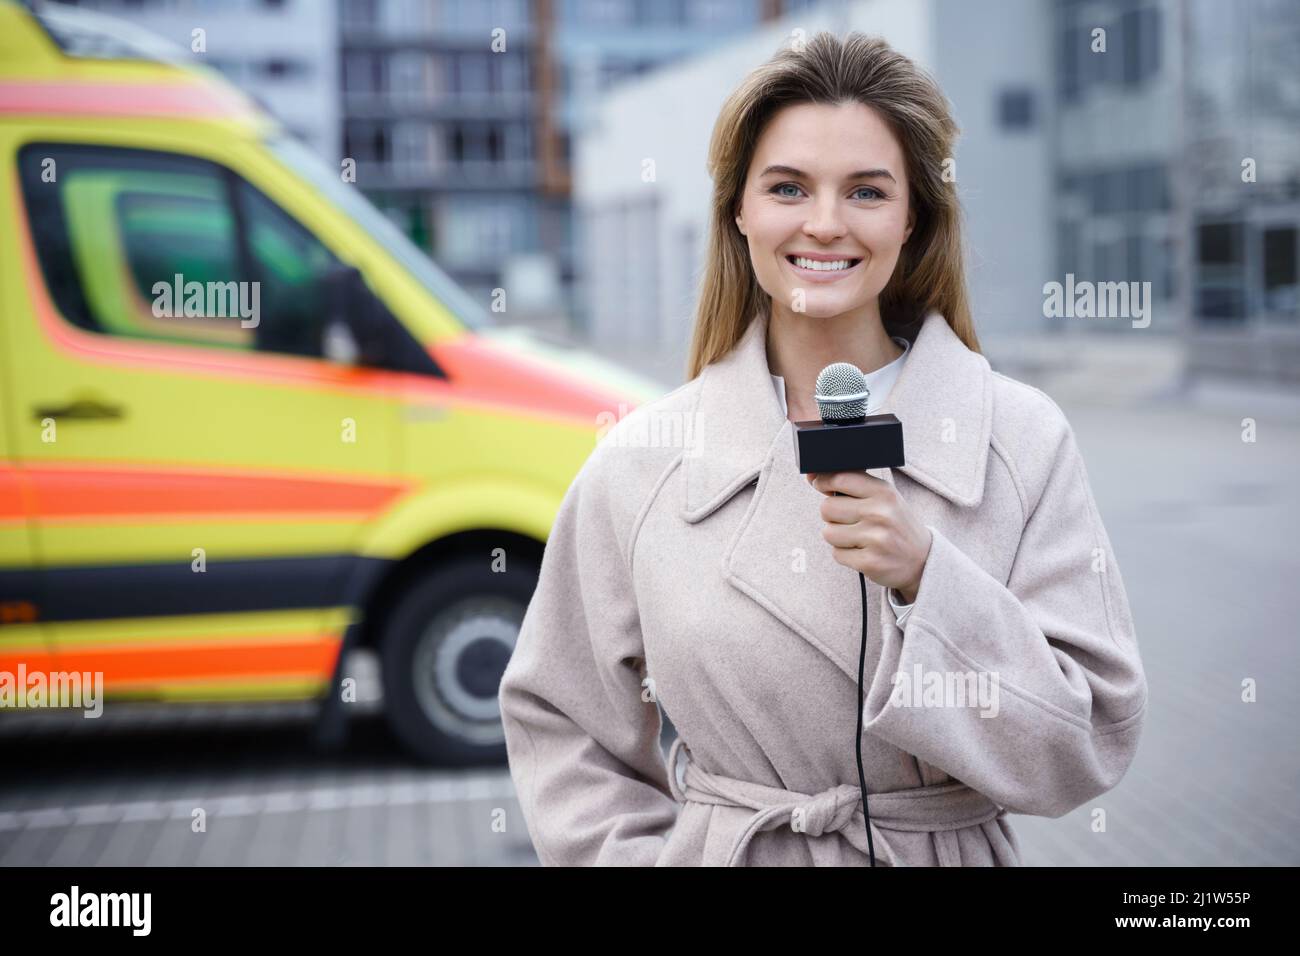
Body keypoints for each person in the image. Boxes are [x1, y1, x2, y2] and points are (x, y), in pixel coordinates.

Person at [498, 31, 1147, 866]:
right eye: (788, 187)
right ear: (740, 210)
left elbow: (1089, 737)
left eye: (867, 191)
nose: (825, 223)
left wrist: (929, 580)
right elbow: (561, 717)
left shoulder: (1020, 440)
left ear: (914, 216)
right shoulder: (645, 461)